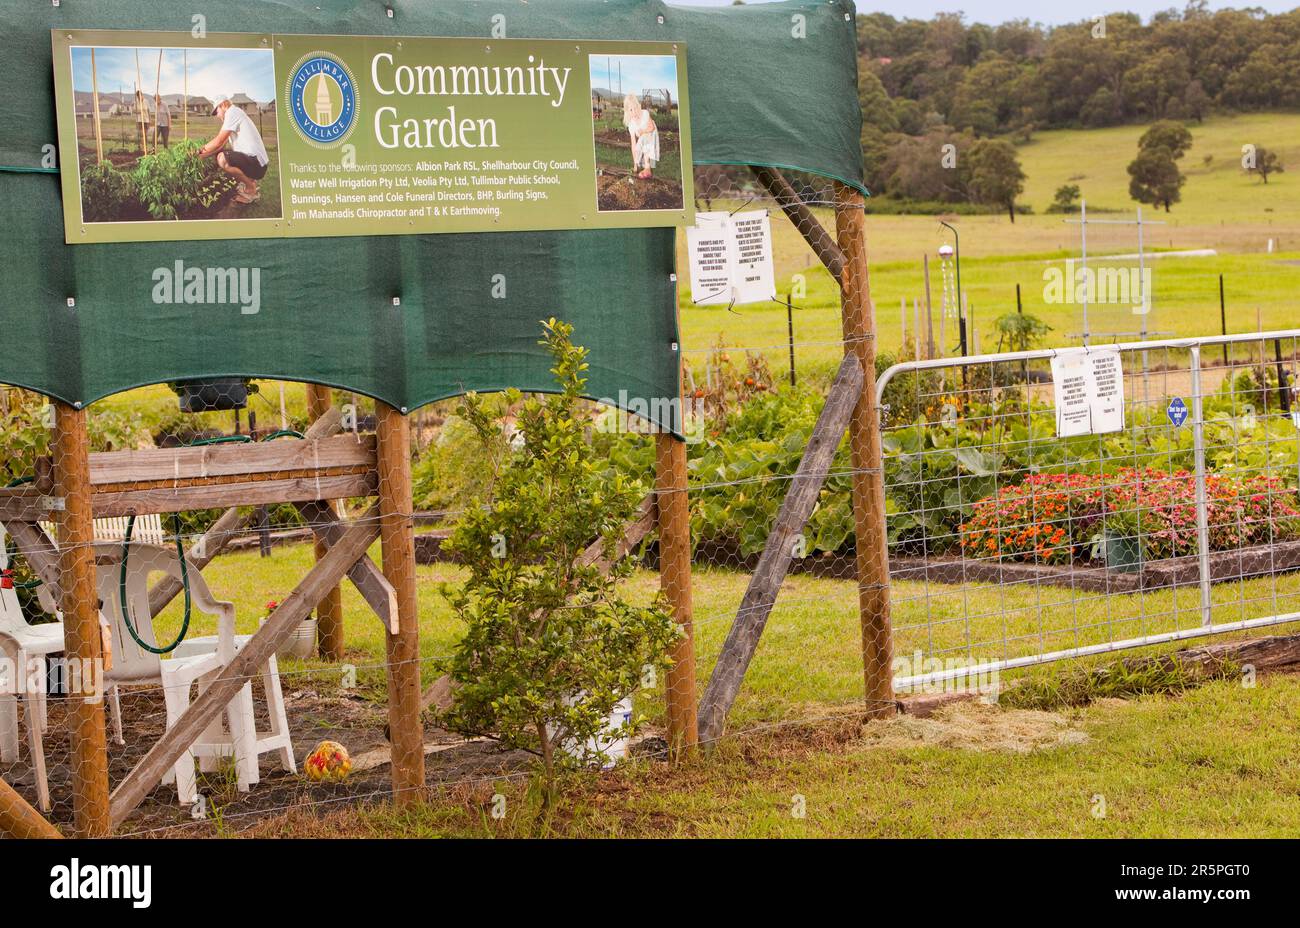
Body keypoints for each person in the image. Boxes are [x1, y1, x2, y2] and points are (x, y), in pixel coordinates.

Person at [194, 93, 269, 204]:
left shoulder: (232, 112)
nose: (217, 115)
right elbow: (220, 145)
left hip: (257, 163)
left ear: (224, 105)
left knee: (222, 159)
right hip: (258, 163)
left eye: (217, 111)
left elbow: (219, 141)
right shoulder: (234, 114)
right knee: (222, 154)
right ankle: (250, 183)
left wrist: (199, 150)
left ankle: (251, 189)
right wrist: (200, 156)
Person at [622, 93, 659, 180]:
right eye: (631, 110)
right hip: (643, 135)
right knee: (640, 144)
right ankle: (639, 163)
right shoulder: (631, 124)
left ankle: (647, 168)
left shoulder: (645, 113)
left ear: (638, 106)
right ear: (627, 111)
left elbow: (652, 127)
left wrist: (642, 131)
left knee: (644, 138)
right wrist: (635, 163)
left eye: (635, 108)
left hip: (651, 132)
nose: (634, 112)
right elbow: (633, 144)